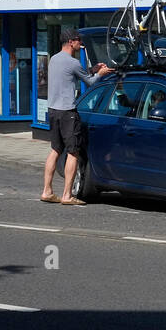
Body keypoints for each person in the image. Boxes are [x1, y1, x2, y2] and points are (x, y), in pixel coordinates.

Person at [42, 29, 113, 205]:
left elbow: (75, 74)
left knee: (55, 150)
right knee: (73, 152)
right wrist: (100, 74)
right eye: (78, 40)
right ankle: (67, 195)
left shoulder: (54, 59)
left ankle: (47, 191)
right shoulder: (73, 62)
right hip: (67, 112)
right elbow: (90, 82)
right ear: (71, 42)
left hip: (53, 110)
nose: (80, 43)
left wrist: (92, 69)